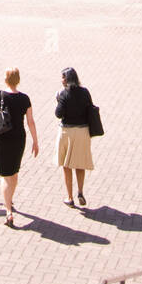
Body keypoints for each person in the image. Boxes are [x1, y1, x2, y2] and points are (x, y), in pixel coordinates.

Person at [0, 68, 38, 226]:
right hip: (19, 138)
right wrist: (35, 141)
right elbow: (31, 121)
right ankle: (10, 199)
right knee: (14, 172)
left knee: (4, 175)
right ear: (18, 80)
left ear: (5, 80)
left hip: (2, 138)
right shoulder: (25, 98)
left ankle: (8, 210)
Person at [54, 66, 94, 207]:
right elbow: (90, 108)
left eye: (63, 77)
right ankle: (81, 192)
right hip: (83, 132)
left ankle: (70, 197)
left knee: (66, 164)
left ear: (67, 79)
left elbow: (58, 114)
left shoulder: (63, 94)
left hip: (67, 132)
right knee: (80, 164)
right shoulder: (84, 92)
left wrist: (58, 100)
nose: (61, 80)